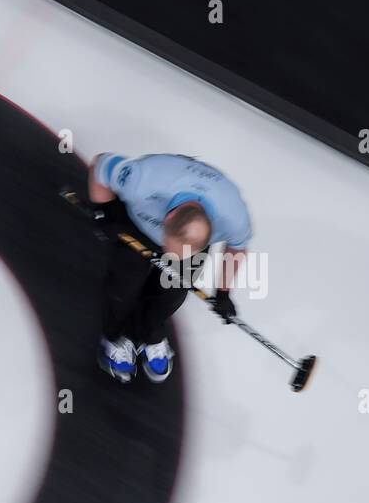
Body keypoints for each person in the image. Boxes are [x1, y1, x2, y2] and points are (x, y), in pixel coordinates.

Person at [87, 153, 253, 383]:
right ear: (168, 218)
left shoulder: (234, 217)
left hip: (183, 241)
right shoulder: (143, 179)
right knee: (123, 287)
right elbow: (100, 165)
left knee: (173, 292)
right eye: (170, 249)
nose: (168, 257)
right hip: (138, 225)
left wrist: (223, 292)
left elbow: (236, 249)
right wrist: (105, 212)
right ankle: (113, 336)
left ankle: (151, 332)